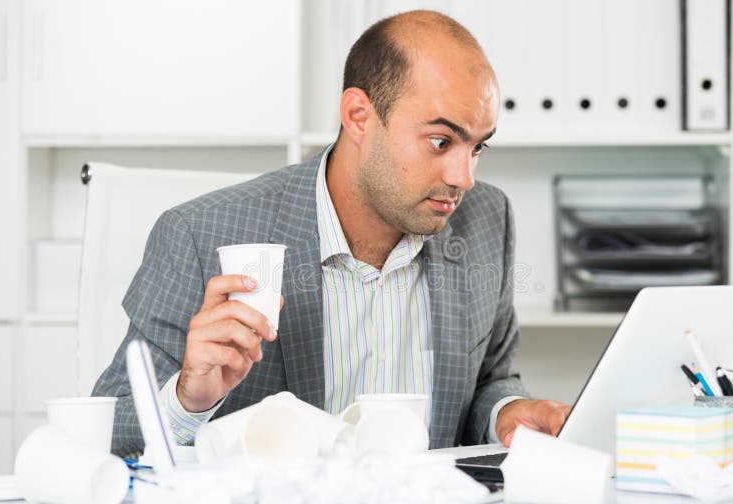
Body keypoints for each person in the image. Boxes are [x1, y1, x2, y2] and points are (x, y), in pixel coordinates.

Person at [93, 10, 571, 456]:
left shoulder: (488, 219)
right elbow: (109, 433)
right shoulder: (201, 236)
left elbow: (488, 380)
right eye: (441, 141)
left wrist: (509, 412)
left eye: (477, 146)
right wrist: (187, 401)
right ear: (359, 116)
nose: (463, 176)